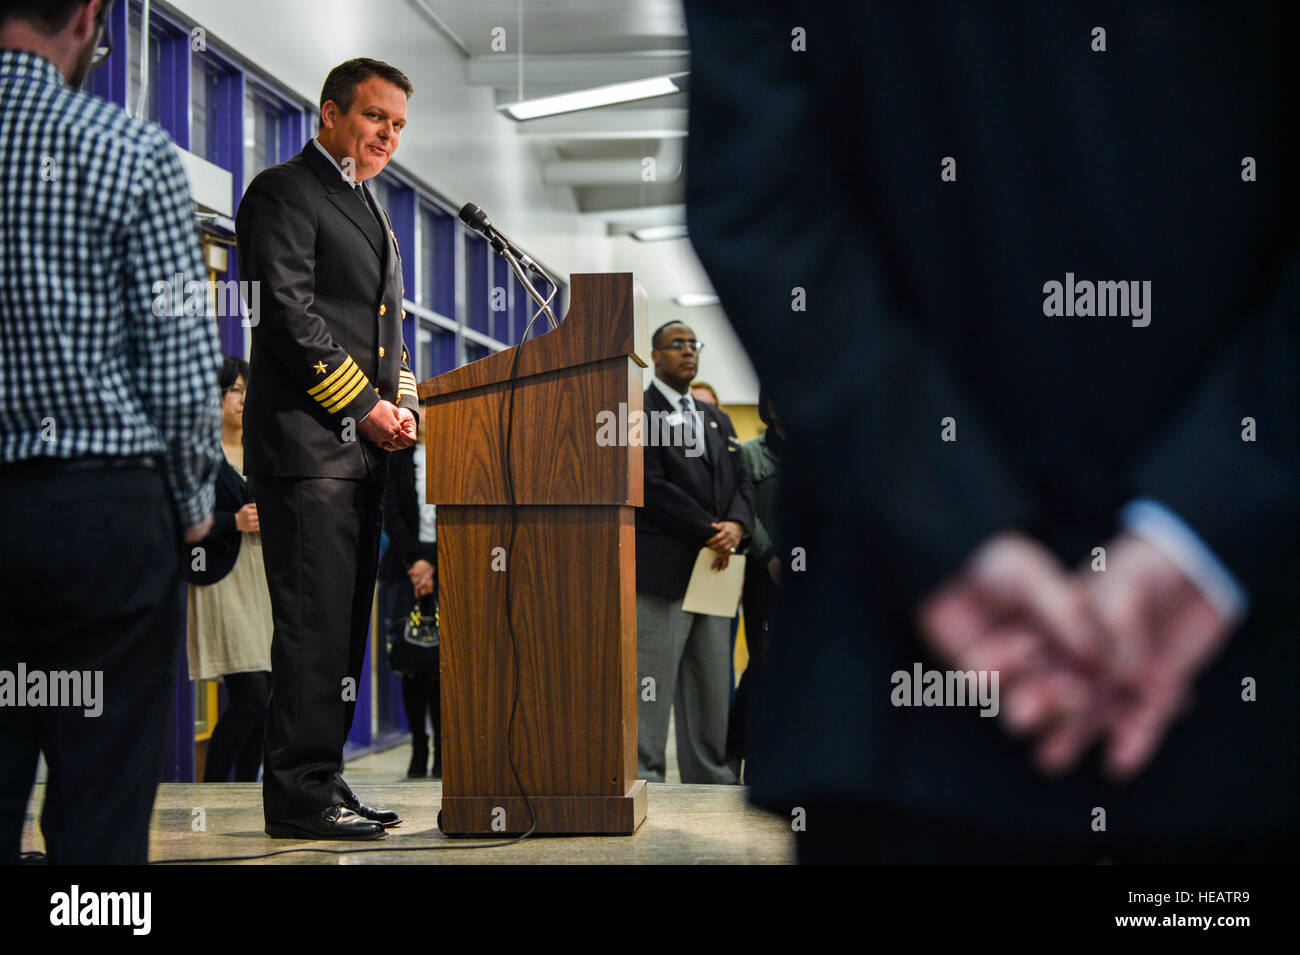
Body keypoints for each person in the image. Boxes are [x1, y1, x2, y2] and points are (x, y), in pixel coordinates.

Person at [684, 0, 1299, 862]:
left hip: (893, 693)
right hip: (1256, 666)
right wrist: (1217, 511)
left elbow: (757, 200)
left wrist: (945, 520)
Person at [0, 0, 222, 864]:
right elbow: (175, 352)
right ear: (90, 17)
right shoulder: (130, 149)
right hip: (103, 517)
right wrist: (191, 501)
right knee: (101, 810)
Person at [236, 57, 420, 840]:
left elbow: (387, 333)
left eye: (400, 126)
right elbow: (286, 312)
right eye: (377, 117)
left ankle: (325, 778)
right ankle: (299, 792)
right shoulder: (283, 191)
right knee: (312, 630)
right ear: (330, 113)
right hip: (308, 448)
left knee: (343, 631)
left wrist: (403, 402)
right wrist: (365, 404)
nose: (388, 135)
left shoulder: (367, 207)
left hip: (360, 454)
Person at [636, 322, 755, 784]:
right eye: (677, 345)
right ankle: (645, 776)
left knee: (710, 685)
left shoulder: (717, 420)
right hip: (663, 572)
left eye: (693, 345)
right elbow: (650, 485)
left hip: (716, 570)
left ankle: (710, 778)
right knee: (652, 685)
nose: (688, 352)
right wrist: (710, 528)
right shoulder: (638, 413)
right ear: (655, 355)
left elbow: (742, 483)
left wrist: (737, 525)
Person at [185, 357, 273, 783]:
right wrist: (231, 522)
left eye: (246, 390)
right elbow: (182, 518)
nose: (243, 399)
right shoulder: (199, 450)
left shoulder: (263, 446)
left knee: (267, 693)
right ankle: (214, 786)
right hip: (221, 573)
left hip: (262, 574)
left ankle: (243, 790)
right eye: (235, 390)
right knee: (251, 693)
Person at [378, 420, 440, 778]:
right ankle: (418, 749)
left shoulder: (456, 454)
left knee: (445, 665)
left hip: (450, 566)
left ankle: (444, 752)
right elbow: (393, 514)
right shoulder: (399, 458)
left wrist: (433, 564)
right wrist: (417, 562)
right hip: (405, 568)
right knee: (413, 661)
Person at [727, 388, 785, 768]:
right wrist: (769, 556)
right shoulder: (749, 454)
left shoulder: (823, 448)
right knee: (763, 664)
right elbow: (744, 512)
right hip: (766, 576)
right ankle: (745, 755)